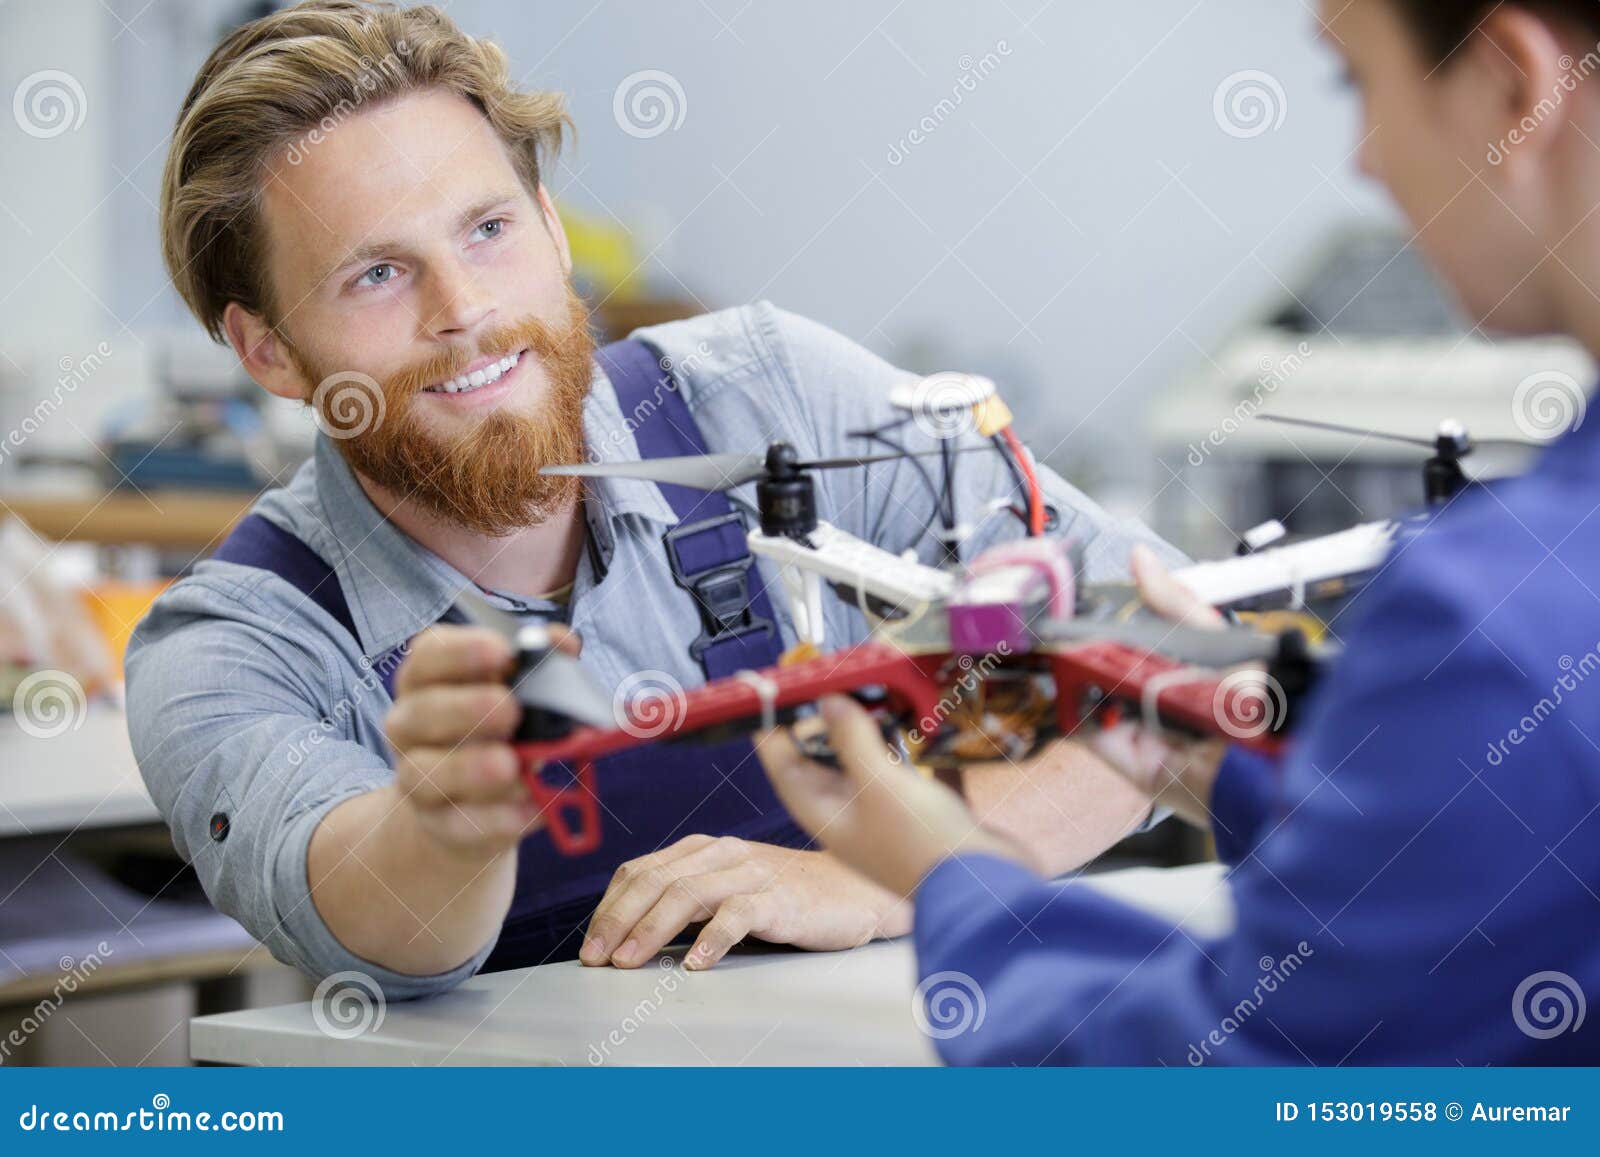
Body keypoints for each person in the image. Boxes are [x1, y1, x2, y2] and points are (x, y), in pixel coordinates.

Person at [127, 0, 1181, 999]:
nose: (468, 311)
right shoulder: (232, 643)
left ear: (549, 223)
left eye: (489, 229)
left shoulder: (764, 395)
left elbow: (1158, 662)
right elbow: (362, 909)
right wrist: (446, 821)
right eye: (375, 275)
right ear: (266, 349)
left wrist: (892, 879)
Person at [761, 0, 1600, 1065]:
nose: (1366, 159)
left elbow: (1214, 1087)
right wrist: (1239, 771)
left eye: (1358, 84)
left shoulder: (1491, 622)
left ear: (1513, 87)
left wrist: (947, 872)